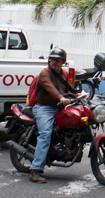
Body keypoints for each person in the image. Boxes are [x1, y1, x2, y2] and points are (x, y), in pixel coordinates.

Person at [28, 47, 74, 184]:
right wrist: (62, 98)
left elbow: (67, 89)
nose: (55, 62)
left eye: (58, 60)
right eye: (52, 59)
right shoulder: (45, 73)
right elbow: (52, 89)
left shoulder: (64, 74)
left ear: (63, 62)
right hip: (44, 108)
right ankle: (35, 170)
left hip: (59, 107)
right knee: (45, 134)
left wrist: (77, 95)